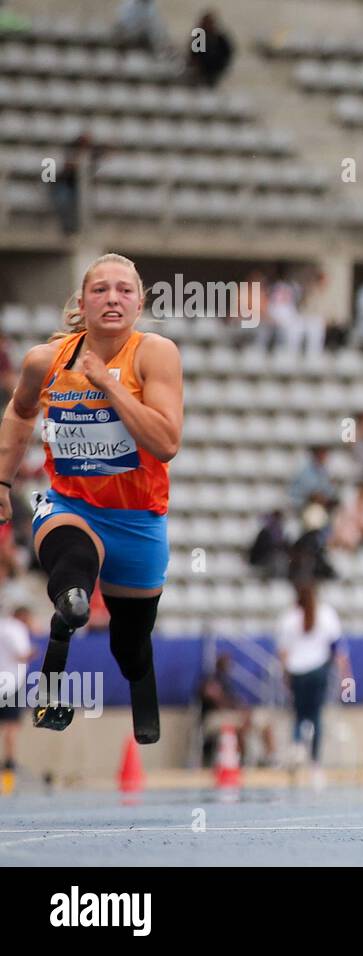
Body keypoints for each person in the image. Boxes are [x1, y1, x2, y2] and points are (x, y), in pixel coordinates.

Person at [0, 253, 183, 744]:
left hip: (138, 520)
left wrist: (107, 384)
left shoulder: (155, 353)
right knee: (75, 593)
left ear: (139, 303)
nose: (112, 298)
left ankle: (142, 687)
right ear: (83, 301)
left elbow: (166, 442)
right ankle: (61, 639)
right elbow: (19, 412)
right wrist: (2, 480)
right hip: (70, 506)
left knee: (129, 645)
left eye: (124, 290)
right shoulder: (46, 359)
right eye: (100, 289)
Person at [276, 579, 349, 789]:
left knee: (299, 714)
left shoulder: (289, 617)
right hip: (318, 670)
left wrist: (285, 675)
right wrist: (346, 676)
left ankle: (298, 747)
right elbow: (338, 649)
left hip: (297, 670)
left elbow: (283, 652)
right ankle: (315, 763)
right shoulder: (326, 615)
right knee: (316, 715)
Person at [0, 604, 34, 789]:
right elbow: (22, 654)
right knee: (11, 728)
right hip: (11, 683)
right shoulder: (16, 629)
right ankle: (9, 767)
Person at [189, 11, 235, 88]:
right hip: (202, 72)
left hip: (216, 69)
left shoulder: (220, 39)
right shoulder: (200, 38)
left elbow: (228, 52)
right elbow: (194, 56)